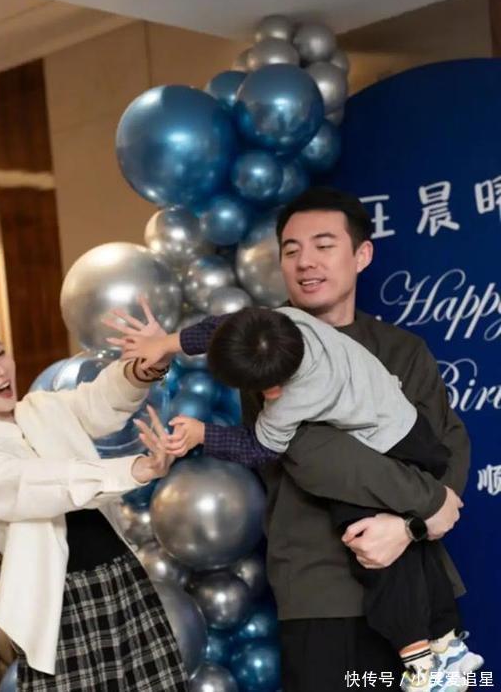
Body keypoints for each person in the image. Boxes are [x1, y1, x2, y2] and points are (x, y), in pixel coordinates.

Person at [109, 186, 472, 692]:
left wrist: (409, 529)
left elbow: (445, 443)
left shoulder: (402, 349)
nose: (305, 262)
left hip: (418, 585)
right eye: (291, 250)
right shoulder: (265, 348)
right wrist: (426, 511)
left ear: (362, 255)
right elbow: (315, 456)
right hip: (319, 592)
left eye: (324, 245)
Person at [0, 318, 188, 691]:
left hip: (119, 575)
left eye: (0, 353)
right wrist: (134, 469)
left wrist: (147, 364)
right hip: (58, 603)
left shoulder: (44, 407)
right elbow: (43, 483)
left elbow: (101, 400)